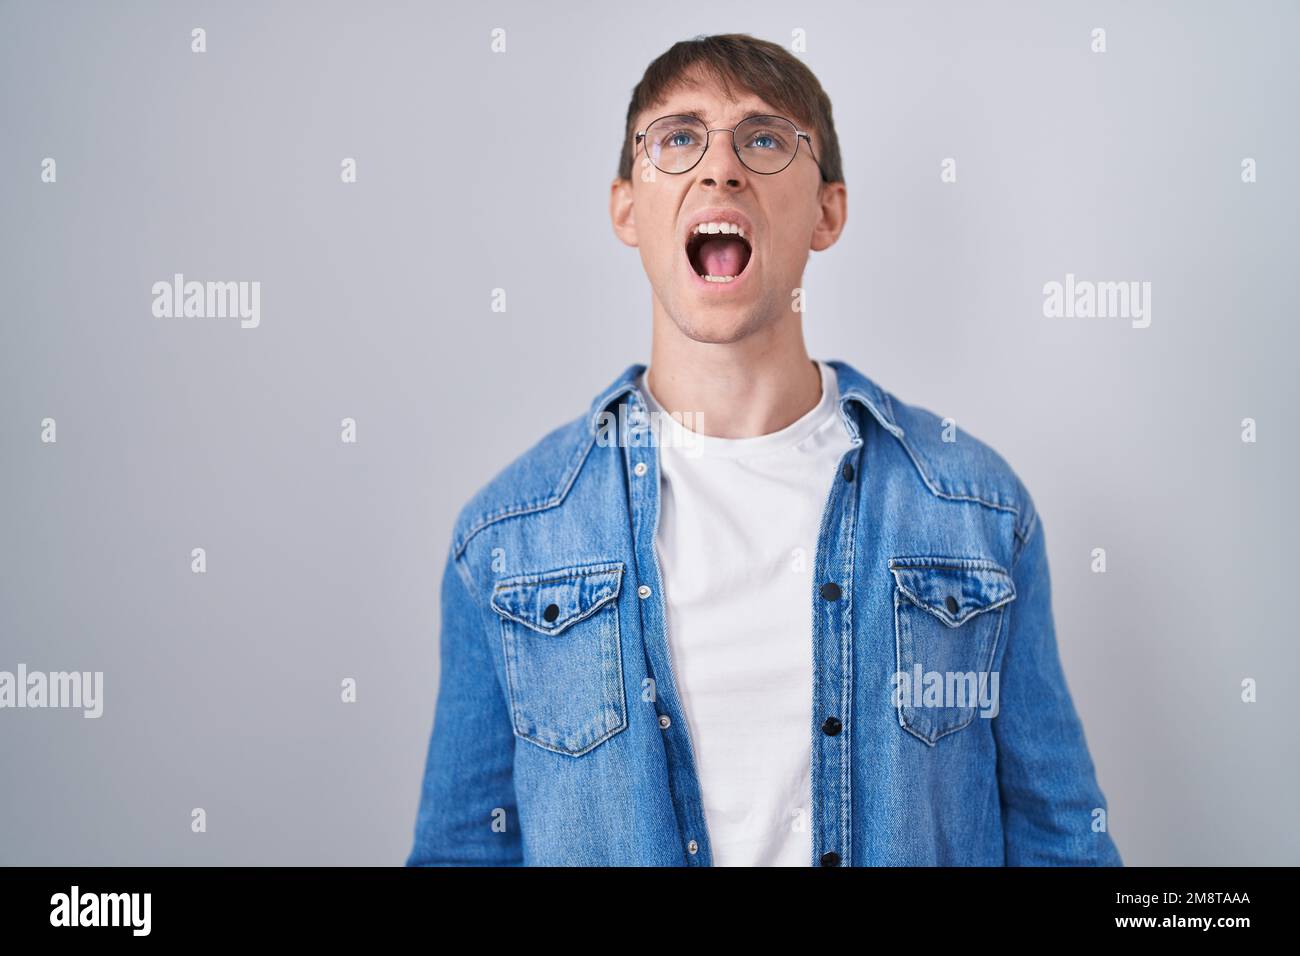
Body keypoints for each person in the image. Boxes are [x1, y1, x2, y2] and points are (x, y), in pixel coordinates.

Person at [406, 33, 1121, 866]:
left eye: (765, 139)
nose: (721, 169)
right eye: (677, 138)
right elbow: (463, 848)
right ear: (627, 208)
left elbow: (1060, 836)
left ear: (828, 211)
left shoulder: (974, 509)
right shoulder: (506, 538)